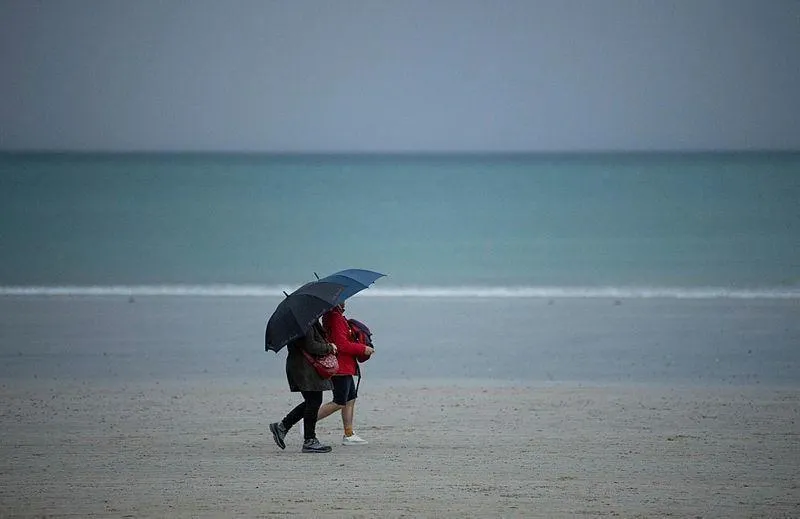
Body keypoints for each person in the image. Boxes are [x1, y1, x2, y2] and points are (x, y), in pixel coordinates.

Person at [269, 321, 338, 453]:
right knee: (314, 402)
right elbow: (311, 346)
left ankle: (282, 427)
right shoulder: (305, 324)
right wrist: (329, 347)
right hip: (304, 369)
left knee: (312, 401)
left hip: (302, 367)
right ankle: (309, 440)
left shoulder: (302, 322)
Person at [317, 301, 374, 445]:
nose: (344, 303)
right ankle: (308, 420)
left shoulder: (335, 316)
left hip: (346, 366)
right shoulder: (334, 317)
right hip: (340, 368)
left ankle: (349, 434)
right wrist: (362, 349)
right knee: (339, 401)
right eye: (341, 300)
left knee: (350, 399)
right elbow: (341, 345)